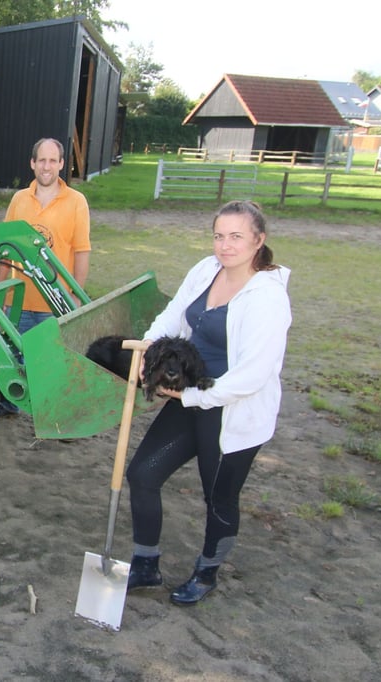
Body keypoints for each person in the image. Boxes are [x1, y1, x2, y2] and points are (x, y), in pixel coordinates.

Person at [124, 200, 292, 606]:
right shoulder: (205, 270)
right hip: (190, 399)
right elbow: (173, 314)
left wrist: (195, 395)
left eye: (236, 236)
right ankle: (146, 563)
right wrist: (149, 345)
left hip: (232, 410)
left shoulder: (267, 298)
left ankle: (206, 572)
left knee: (218, 497)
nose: (225, 245)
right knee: (143, 474)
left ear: (259, 240)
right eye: (219, 235)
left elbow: (253, 375)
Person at [0, 137, 91, 419]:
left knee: (54, 363)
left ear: (62, 164)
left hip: (55, 300)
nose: (47, 166)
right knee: (14, 355)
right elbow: (4, 247)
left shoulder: (76, 202)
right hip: (19, 296)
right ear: (32, 164)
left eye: (53, 160)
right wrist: (1, 291)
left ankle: (57, 417)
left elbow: (81, 251)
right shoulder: (20, 199)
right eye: (41, 160)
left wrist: (77, 297)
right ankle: (10, 405)